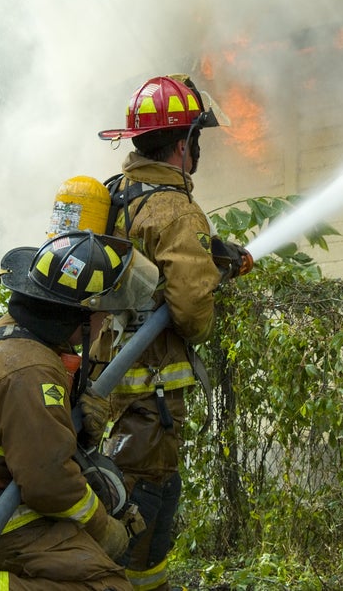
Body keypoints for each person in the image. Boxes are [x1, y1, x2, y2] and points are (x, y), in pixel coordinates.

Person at [0, 231, 157, 591]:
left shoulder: (7, 335)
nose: (102, 324)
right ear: (75, 317)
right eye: (98, 314)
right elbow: (47, 479)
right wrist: (101, 526)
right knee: (106, 586)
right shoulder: (28, 370)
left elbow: (24, 439)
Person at [82, 74, 233, 591]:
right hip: (150, 393)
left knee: (113, 489)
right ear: (180, 145)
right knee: (146, 503)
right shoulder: (174, 207)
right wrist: (204, 296)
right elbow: (190, 307)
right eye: (196, 138)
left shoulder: (116, 195)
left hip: (105, 380)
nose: (198, 149)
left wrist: (213, 257)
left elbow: (143, 270)